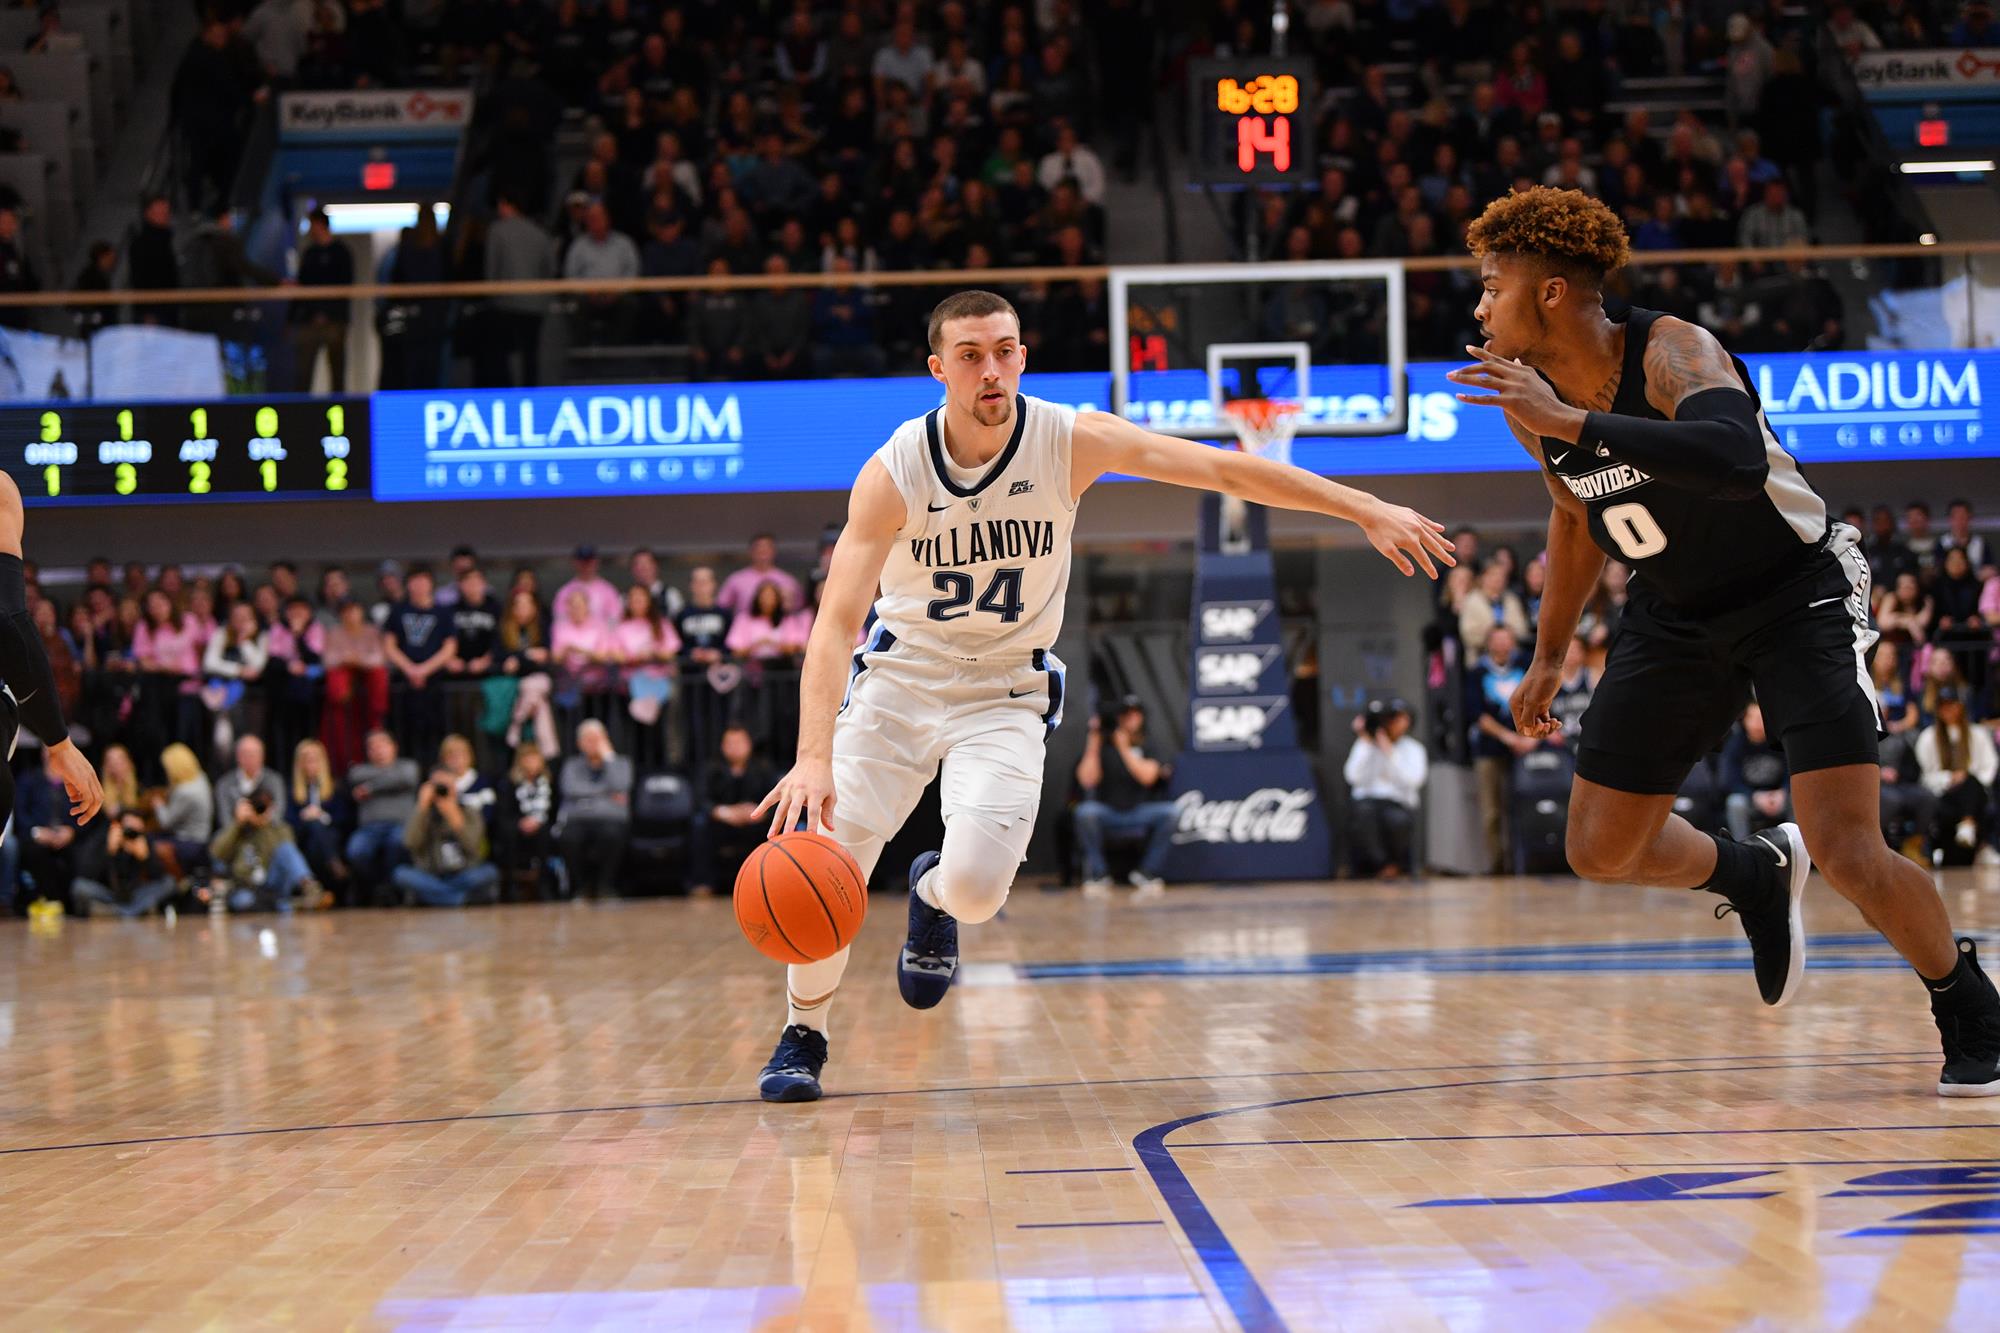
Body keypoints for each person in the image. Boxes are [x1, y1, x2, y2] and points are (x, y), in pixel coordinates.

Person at [751, 288, 1451, 1102]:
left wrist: (1361, 504)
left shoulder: (1069, 438)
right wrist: (811, 758)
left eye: (1005, 349)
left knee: (977, 894)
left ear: (1023, 355)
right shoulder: (894, 472)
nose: (992, 369)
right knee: (827, 857)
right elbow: (834, 626)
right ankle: (805, 1032)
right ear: (938, 368)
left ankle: (931, 890)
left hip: (1004, 692)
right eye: (971, 354)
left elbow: (1222, 466)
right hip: (901, 682)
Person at [1446, 185, 2000, 1094]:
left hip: (1796, 593)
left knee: (1849, 847)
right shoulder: (1532, 399)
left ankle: (1965, 998)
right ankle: (1749, 872)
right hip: (1673, 609)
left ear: (1549, 293)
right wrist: (1550, 650)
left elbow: (1738, 465)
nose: (1477, 305)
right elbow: (1575, 514)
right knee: (1598, 846)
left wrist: (1573, 423)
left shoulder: (1673, 351)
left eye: (1492, 285)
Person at [1072, 696, 1176, 900]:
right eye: (1127, 714)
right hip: (1108, 811)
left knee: (1171, 812)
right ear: (1119, 718)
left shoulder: (1150, 744)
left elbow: (1147, 777)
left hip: (1139, 810)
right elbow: (1087, 780)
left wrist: (1124, 748)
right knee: (1085, 812)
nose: (1132, 718)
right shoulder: (1104, 746)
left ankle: (1147, 872)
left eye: (1136, 713)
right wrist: (1093, 741)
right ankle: (1098, 873)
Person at [391, 762, 500, 907]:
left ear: (455, 787)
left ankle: (438, 897)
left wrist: (453, 816)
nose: (441, 791)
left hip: (463, 874)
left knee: (489, 872)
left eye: (446, 786)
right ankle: (458, 899)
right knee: (401, 874)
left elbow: (474, 847)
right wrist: (422, 807)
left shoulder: (469, 812)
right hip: (430, 875)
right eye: (437, 786)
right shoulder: (423, 813)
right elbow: (409, 843)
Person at [1344, 698, 1428, 878]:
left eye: (1399, 719)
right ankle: (1383, 864)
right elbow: (1352, 776)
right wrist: (1366, 742)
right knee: (1364, 815)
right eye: (1390, 719)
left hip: (1397, 802)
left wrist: (1390, 752)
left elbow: (1413, 780)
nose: (1394, 724)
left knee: (1396, 821)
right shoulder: (1364, 745)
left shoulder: (1414, 749)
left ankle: (1395, 864)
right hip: (1367, 801)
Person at [1916, 686, 1997, 865]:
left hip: (1977, 794)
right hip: (1945, 795)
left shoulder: (1978, 734)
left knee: (1971, 782)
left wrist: (1967, 779)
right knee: (1956, 858)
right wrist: (1949, 778)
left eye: (1952, 705)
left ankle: (1968, 825)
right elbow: (1926, 775)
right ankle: (1969, 828)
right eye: (1944, 706)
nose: (1949, 710)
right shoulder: (1928, 737)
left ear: (1961, 707)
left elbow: (1989, 767)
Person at [691, 724, 774, 896]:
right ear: (722, 746)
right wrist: (722, 812)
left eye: (739, 743)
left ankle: (770, 881)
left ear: (749, 744)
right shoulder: (711, 769)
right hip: (721, 822)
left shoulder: (763, 768)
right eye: (730, 743)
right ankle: (703, 883)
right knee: (699, 825)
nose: (735, 748)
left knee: (777, 826)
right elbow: (701, 799)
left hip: (755, 822)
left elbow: (775, 798)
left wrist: (759, 811)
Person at [556, 719, 631, 898]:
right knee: (568, 838)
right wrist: (606, 794)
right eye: (588, 739)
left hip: (610, 819)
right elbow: (570, 789)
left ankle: (605, 885)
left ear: (606, 740)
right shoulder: (571, 765)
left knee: (612, 835)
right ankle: (582, 887)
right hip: (577, 819)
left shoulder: (620, 763)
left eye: (597, 739)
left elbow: (621, 784)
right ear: (579, 743)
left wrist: (609, 758)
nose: (593, 744)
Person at [344, 728, 419, 903]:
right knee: (356, 850)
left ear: (394, 747)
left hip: (401, 825)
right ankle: (376, 888)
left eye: (383, 745)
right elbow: (355, 776)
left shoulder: (407, 766)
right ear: (368, 752)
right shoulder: (360, 770)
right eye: (373, 747)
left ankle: (392, 888)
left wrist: (370, 788)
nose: (378, 751)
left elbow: (407, 778)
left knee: (398, 842)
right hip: (370, 829)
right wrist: (390, 781)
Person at [494, 740, 558, 897]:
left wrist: (537, 822)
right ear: (519, 761)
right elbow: (503, 813)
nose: (531, 763)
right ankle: (511, 886)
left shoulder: (550, 783)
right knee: (509, 834)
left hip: (542, 828)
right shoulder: (509, 784)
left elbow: (555, 813)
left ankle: (544, 884)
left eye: (534, 758)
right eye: (527, 758)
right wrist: (521, 823)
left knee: (545, 833)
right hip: (517, 828)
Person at [287, 738, 347, 894]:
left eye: (315, 759)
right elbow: (288, 822)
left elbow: (343, 819)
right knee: (314, 826)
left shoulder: (335, 788)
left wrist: (322, 815)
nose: (311, 764)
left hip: (330, 837)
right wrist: (305, 817)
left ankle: (323, 879)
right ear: (299, 763)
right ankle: (334, 863)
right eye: (307, 760)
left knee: (319, 829)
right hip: (303, 838)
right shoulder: (292, 791)